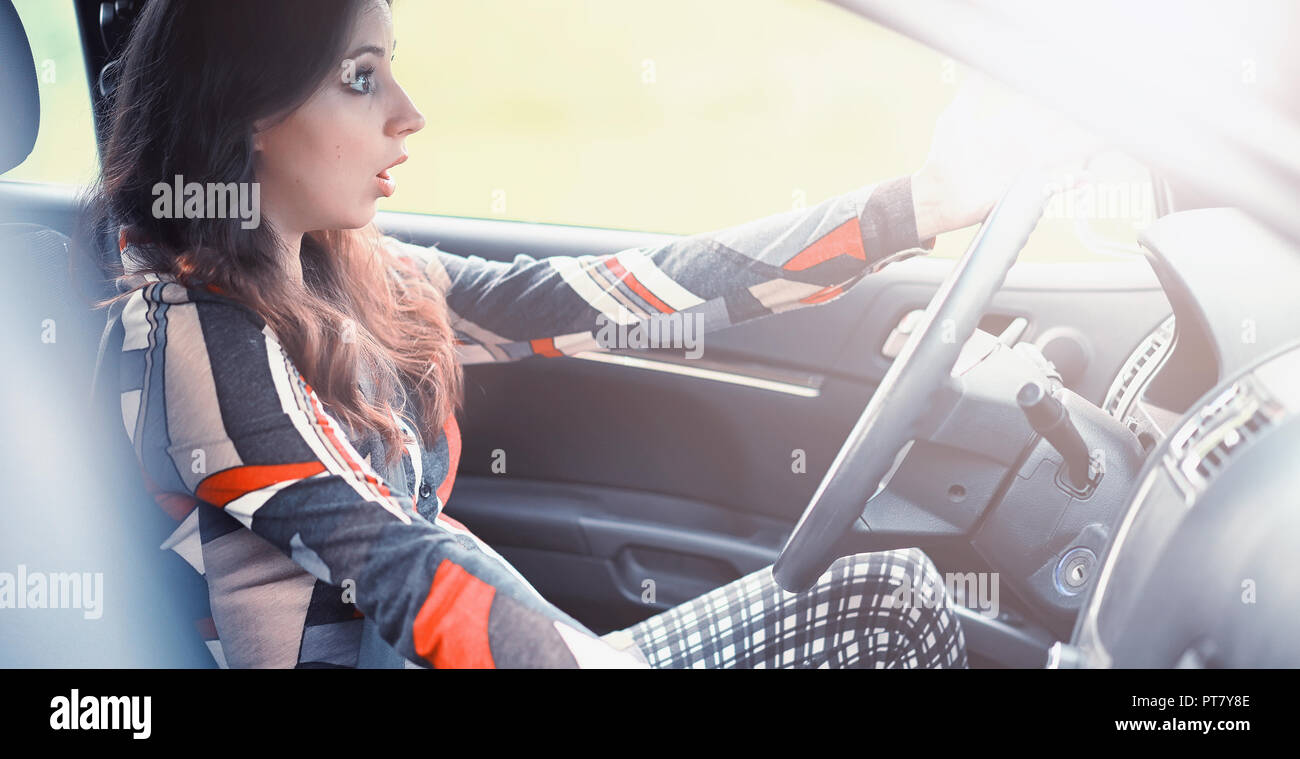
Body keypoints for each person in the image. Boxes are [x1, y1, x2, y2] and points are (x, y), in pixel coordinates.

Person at [83, 0, 1075, 668]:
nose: (409, 115)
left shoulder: (339, 267)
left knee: (888, 596)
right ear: (249, 110)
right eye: (361, 78)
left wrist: (916, 207)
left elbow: (605, 296)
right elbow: (407, 565)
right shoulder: (187, 343)